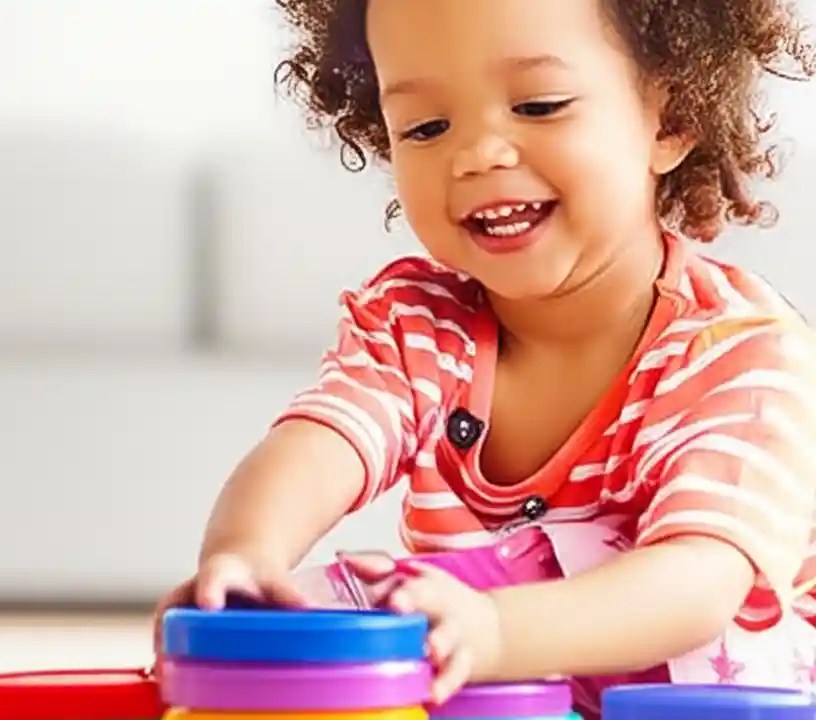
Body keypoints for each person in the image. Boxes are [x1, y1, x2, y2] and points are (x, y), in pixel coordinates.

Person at [153, 0, 816, 716]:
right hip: (503, 691)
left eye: (538, 105)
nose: (477, 154)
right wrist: (247, 553)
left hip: (717, 699)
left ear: (672, 118)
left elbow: (699, 586)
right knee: (333, 613)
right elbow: (320, 443)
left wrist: (497, 629)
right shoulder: (418, 324)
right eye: (427, 127)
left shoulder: (741, 353)